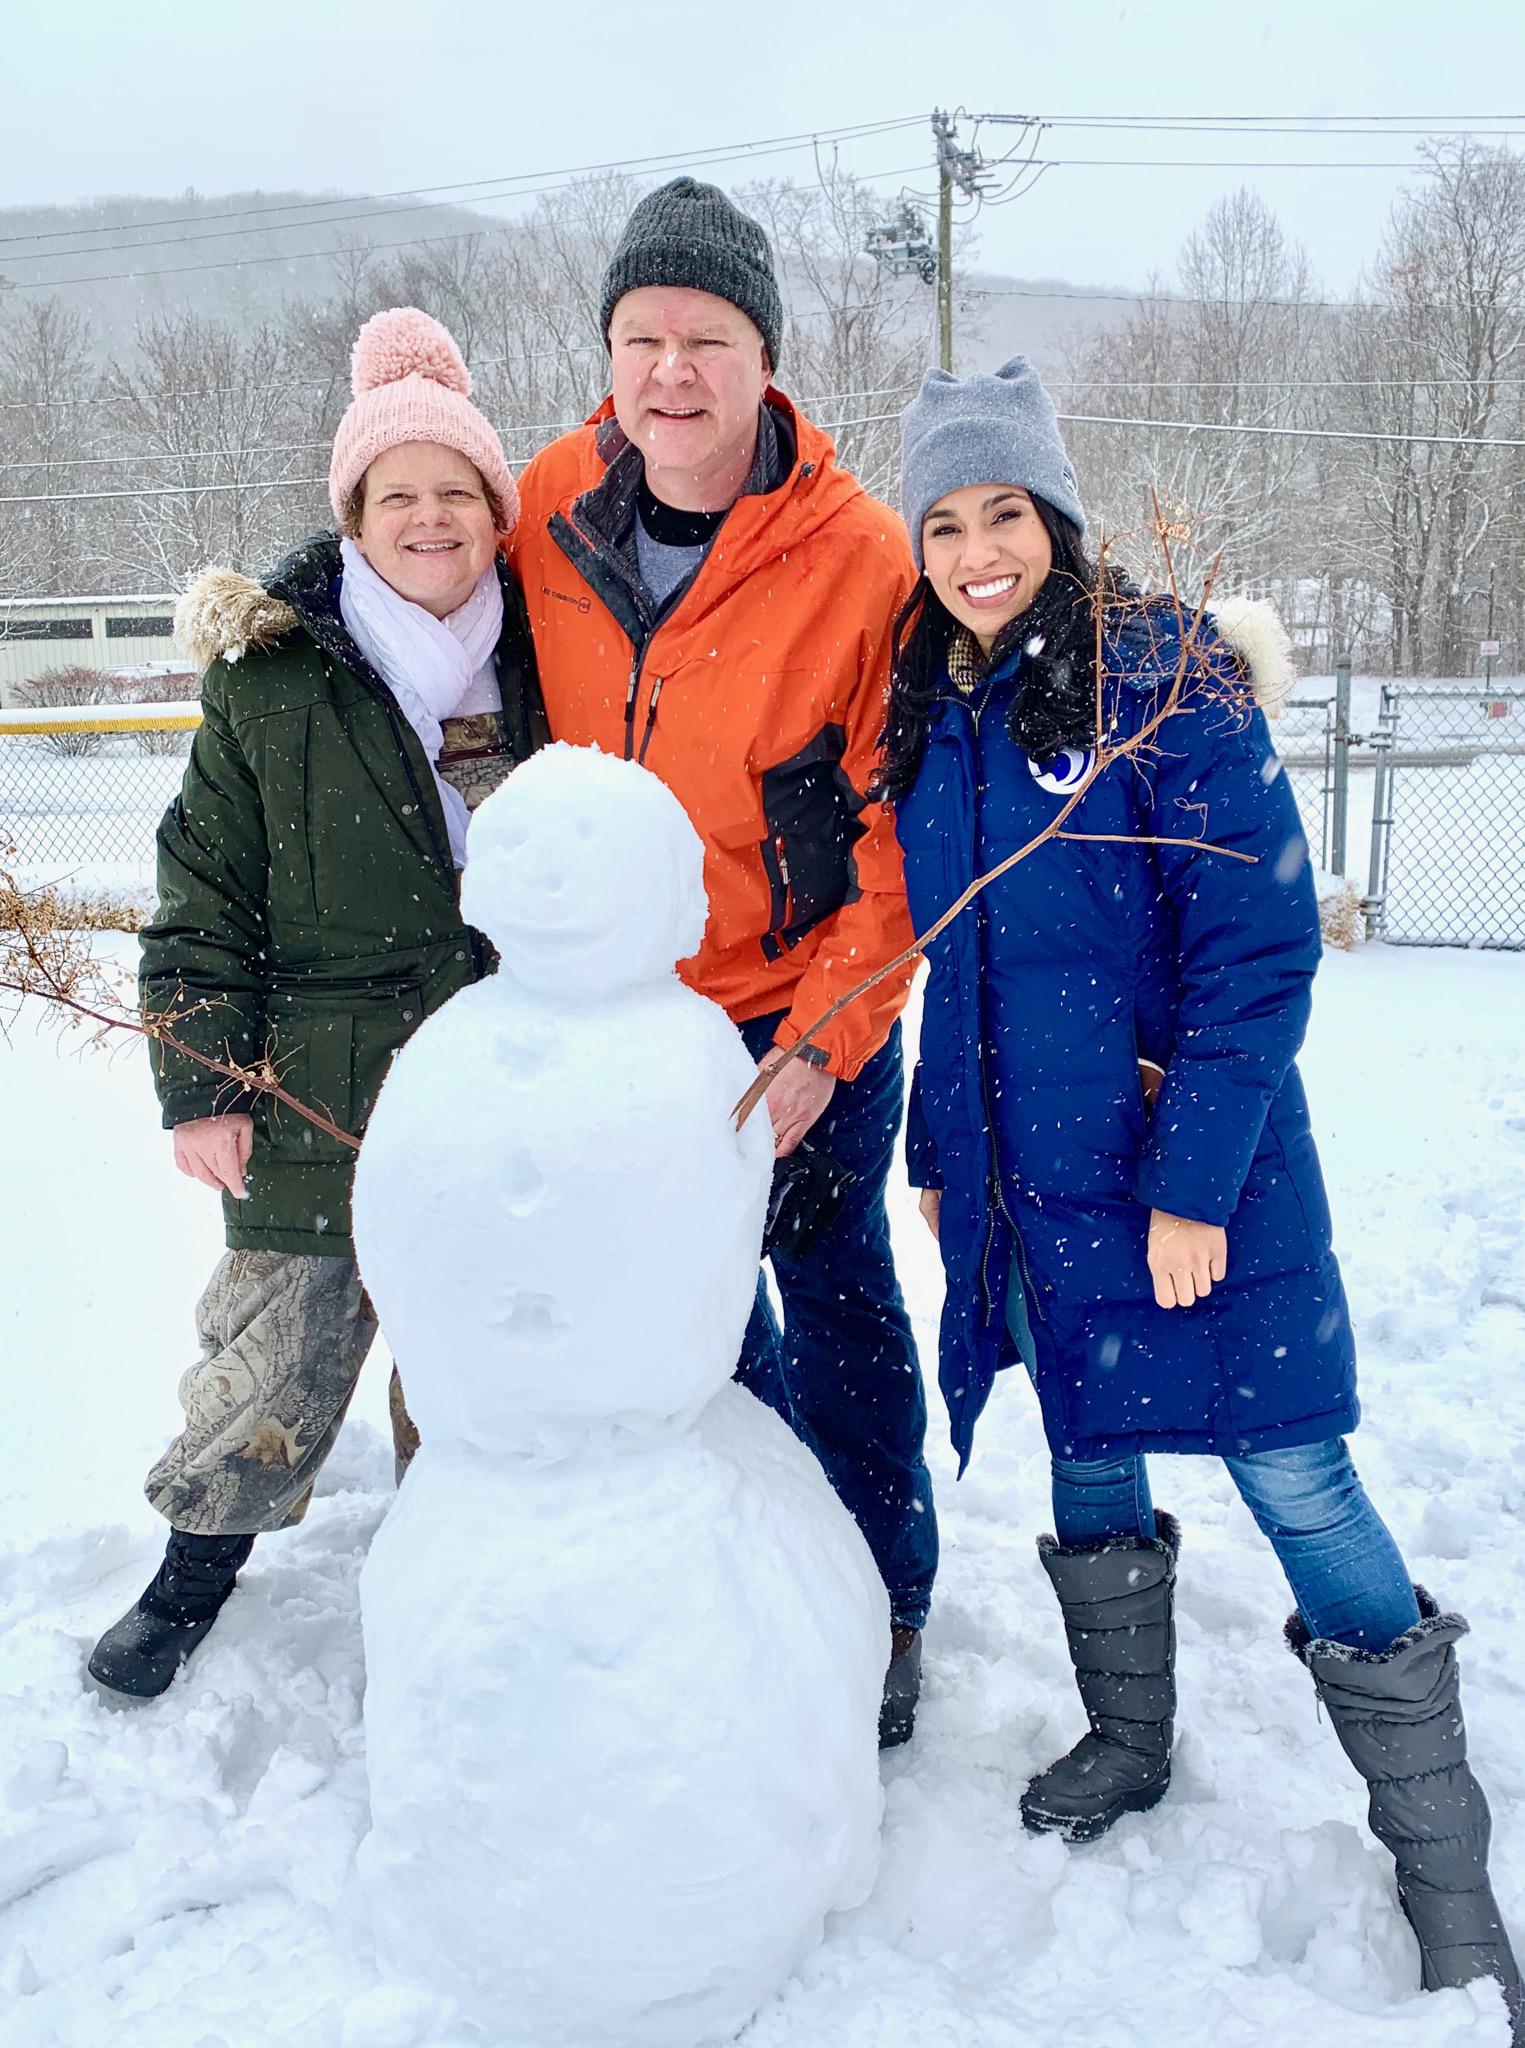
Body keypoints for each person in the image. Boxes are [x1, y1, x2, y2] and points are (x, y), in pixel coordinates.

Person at [883, 356, 1523, 2025]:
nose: (972, 551)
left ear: (1054, 515)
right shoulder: (935, 711)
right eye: (941, 523)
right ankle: (1126, 1735)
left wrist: (1192, 1191)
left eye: (1000, 512)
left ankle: (1442, 1874)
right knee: (1086, 1442)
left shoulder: (1163, 681)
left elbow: (1254, 956)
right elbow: (946, 974)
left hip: (1191, 1177)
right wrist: (935, 1157)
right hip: (1026, 1182)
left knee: (1293, 1467)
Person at [511, 177, 937, 1743]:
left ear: (765, 360)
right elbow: (401, 579)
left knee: (835, 1310)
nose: (669, 373)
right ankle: (755, 1594)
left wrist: (824, 1042)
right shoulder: (547, 499)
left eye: (705, 339)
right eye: (641, 340)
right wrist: (288, 599)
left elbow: (893, 845)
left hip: (785, 1011)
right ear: (607, 359)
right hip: (621, 1027)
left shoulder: (858, 556)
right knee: (687, 1324)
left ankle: (885, 1606)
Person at [88, 309, 549, 1700]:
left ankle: (462, 1576)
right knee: (274, 1352)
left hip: (496, 1067)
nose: (427, 517)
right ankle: (193, 1571)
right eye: (394, 493)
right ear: (352, 514)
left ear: (493, 513)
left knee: (475, 1360)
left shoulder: (551, 658)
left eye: (454, 492)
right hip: (313, 1078)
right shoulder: (273, 676)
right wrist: (202, 1082)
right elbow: (202, 894)